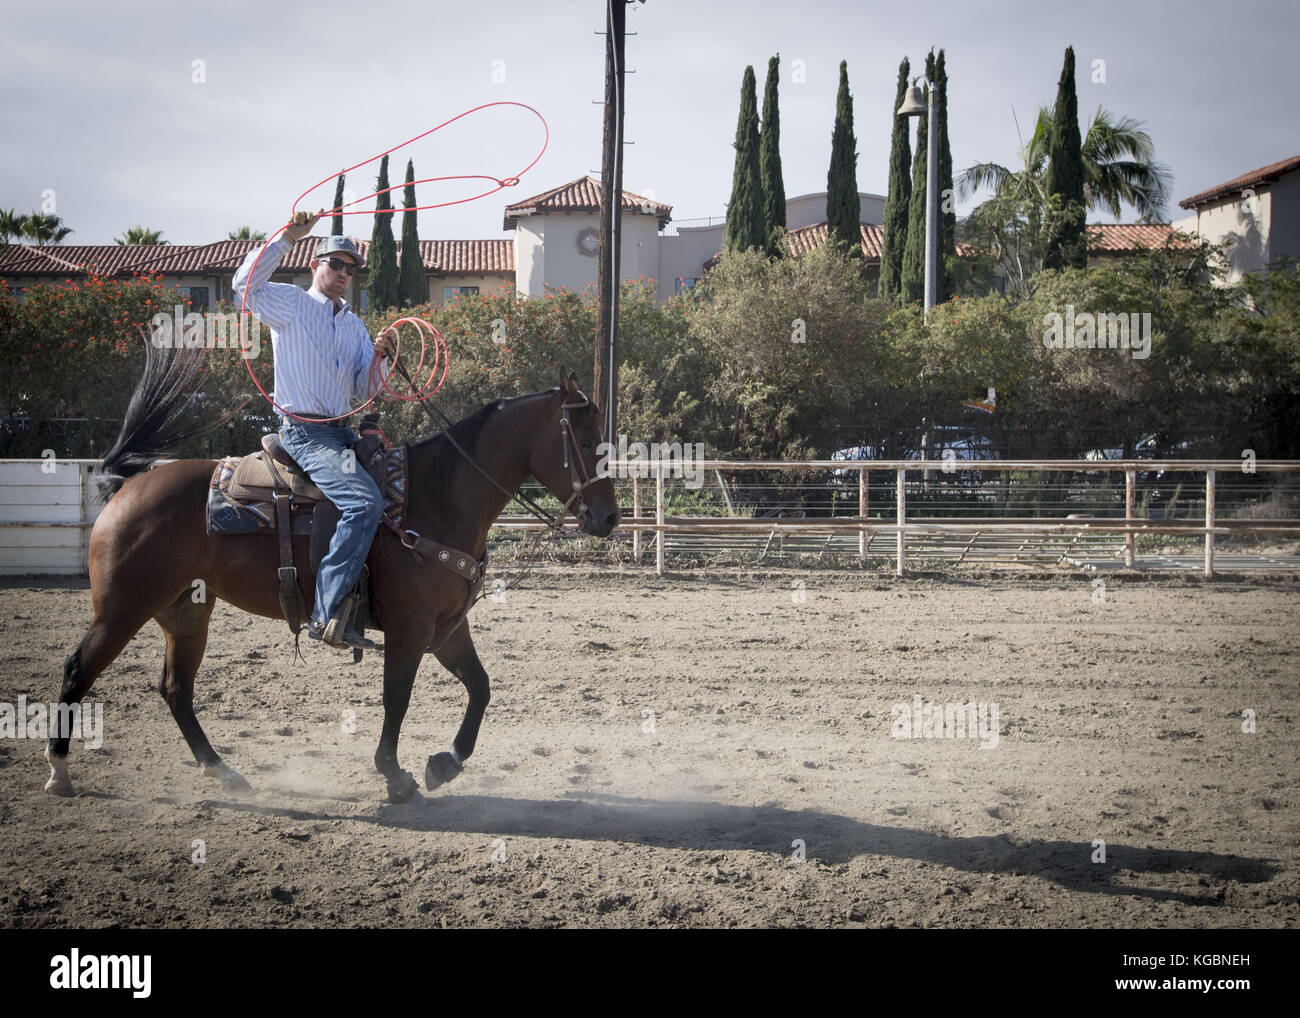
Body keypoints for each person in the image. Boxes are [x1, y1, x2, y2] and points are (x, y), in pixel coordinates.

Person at [233, 210, 397, 650]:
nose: (343, 273)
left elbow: (366, 389)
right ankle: (325, 613)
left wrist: (383, 359)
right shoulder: (290, 303)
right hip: (304, 433)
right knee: (363, 503)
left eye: (351, 268)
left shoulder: (354, 325)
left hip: (342, 432)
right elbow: (242, 285)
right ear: (316, 265)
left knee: (400, 490)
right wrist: (288, 235)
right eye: (335, 264)